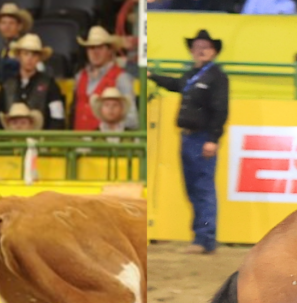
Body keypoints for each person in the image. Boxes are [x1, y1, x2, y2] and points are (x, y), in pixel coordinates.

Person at [150, 30, 228, 255]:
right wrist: (153, 76)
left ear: (213, 51)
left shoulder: (216, 77)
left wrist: (213, 138)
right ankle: (202, 237)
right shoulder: (196, 75)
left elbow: (221, 109)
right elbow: (176, 84)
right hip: (189, 137)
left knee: (202, 188)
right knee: (195, 188)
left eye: (205, 46)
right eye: (197, 46)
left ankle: (204, 238)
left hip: (201, 136)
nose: (201, 50)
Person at [69, 26, 134, 131]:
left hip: (105, 142)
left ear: (109, 50)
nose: (95, 52)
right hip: (78, 141)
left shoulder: (121, 78)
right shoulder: (80, 76)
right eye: (91, 48)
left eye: (100, 47)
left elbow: (131, 118)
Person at [1, 35, 65, 127]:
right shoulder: (7, 85)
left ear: (39, 58)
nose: (29, 58)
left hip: (41, 139)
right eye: (26, 53)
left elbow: (58, 119)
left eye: (34, 54)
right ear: (19, 56)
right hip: (11, 139)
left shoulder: (50, 85)